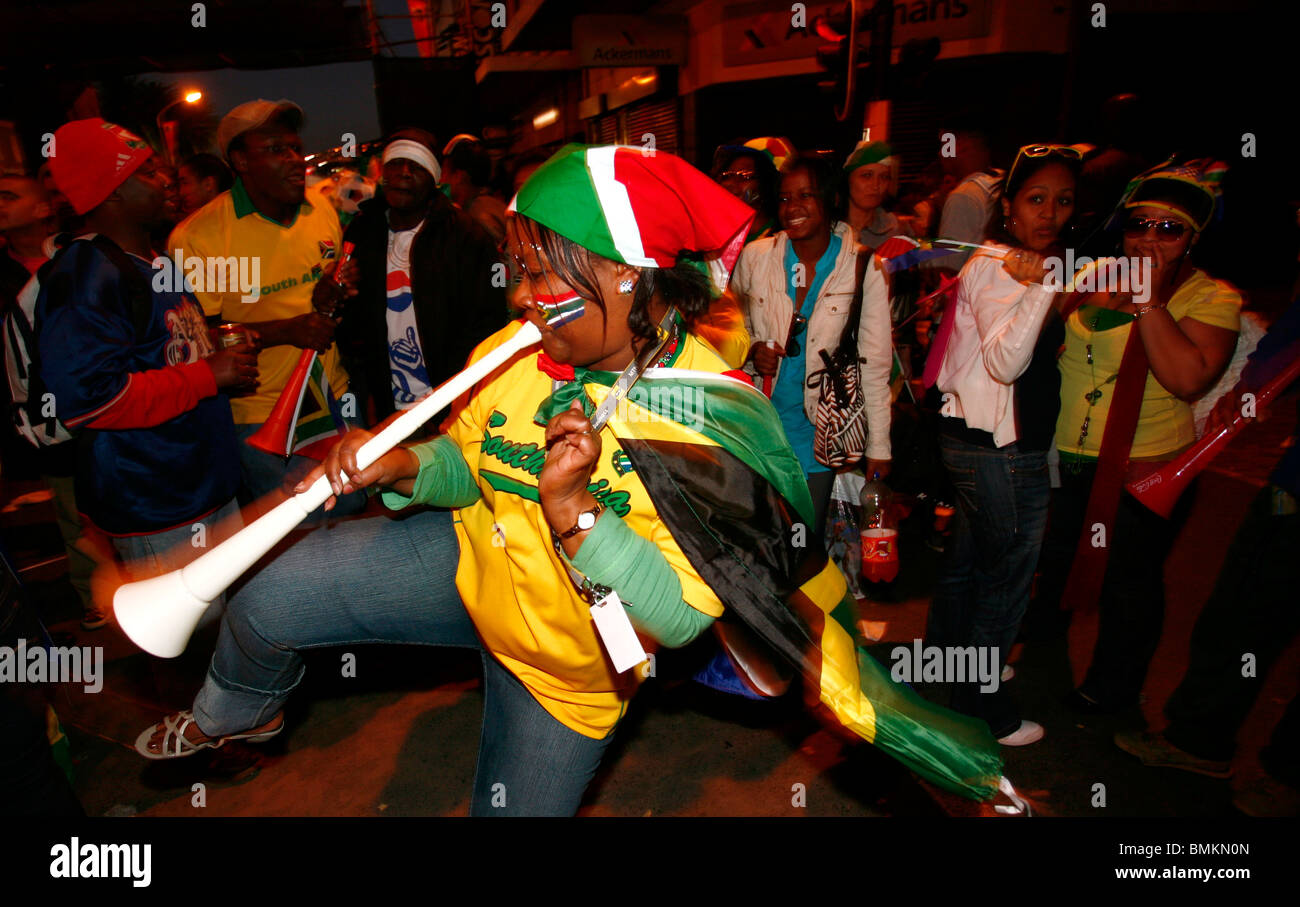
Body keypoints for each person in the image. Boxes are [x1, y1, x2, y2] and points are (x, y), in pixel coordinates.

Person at [133, 144, 1015, 815]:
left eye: (544, 273)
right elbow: (467, 467)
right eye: (520, 270)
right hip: (468, 567)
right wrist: (410, 465)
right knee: (272, 590)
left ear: (629, 279)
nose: (521, 297)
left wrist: (577, 513)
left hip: (567, 667)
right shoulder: (516, 351)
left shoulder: (701, 423)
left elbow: (672, 622)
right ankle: (238, 712)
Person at [1035, 157, 1241, 714]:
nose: (1149, 237)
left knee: (1129, 585)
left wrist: (1150, 298)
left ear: (1193, 236)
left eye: (1169, 227)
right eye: (1139, 224)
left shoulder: (1210, 298)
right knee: (1051, 570)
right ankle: (1038, 670)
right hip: (1066, 460)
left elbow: (1186, 378)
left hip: (1142, 469)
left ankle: (1113, 691)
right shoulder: (1094, 277)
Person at [36, 119, 257, 626]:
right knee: (186, 633)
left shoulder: (152, 260)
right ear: (113, 191)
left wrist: (222, 351)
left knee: (232, 624)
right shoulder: (83, 275)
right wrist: (209, 376)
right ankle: (187, 708)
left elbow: (167, 348)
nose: (166, 180)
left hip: (204, 483)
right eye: (149, 171)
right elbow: (90, 400)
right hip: (157, 501)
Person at [1114, 299, 1299, 816]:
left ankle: (1289, 775)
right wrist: (1250, 386)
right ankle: (1199, 739)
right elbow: (1285, 336)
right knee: (1241, 613)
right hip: (1293, 488)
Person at [925, 144, 1084, 746]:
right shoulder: (1004, 265)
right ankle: (982, 703)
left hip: (971, 439)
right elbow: (1005, 362)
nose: (1049, 213)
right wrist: (1046, 287)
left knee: (967, 564)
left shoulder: (1013, 260)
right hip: (997, 452)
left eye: (1062, 201)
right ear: (1010, 208)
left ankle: (949, 663)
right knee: (1007, 577)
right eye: (1035, 199)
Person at [168, 99, 362, 513]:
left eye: (294, 147)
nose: (294, 159)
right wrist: (288, 331)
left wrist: (337, 290)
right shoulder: (201, 237)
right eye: (275, 150)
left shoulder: (319, 208)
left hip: (337, 399)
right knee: (299, 540)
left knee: (358, 521)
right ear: (239, 160)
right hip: (263, 416)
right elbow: (199, 342)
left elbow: (328, 288)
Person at [732, 152, 893, 542]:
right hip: (760, 428)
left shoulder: (862, 267)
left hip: (818, 433)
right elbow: (728, 328)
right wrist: (752, 349)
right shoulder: (755, 257)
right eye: (785, 198)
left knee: (803, 540)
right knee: (759, 541)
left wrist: (879, 447)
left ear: (830, 199)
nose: (793, 208)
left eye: (806, 196)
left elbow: (874, 363)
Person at [335, 129, 508, 427]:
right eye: (395, 163)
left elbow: (489, 323)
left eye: (416, 166)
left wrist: (465, 395)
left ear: (434, 178)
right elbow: (351, 322)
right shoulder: (362, 232)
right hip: (386, 409)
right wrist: (336, 293)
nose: (403, 172)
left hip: (453, 405)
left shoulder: (466, 235)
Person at [935, 126, 1003, 270]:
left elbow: (946, 266)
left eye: (945, 146)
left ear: (961, 147)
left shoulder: (963, 196)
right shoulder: (1005, 181)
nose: (940, 153)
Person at [842, 141, 912, 253]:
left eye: (884, 177)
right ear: (848, 180)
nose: (875, 185)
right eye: (867, 175)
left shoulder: (895, 231)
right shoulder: (827, 229)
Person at [440, 135, 507, 244]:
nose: (441, 180)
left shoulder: (477, 219)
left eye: (443, 173)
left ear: (458, 176)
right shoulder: (488, 205)